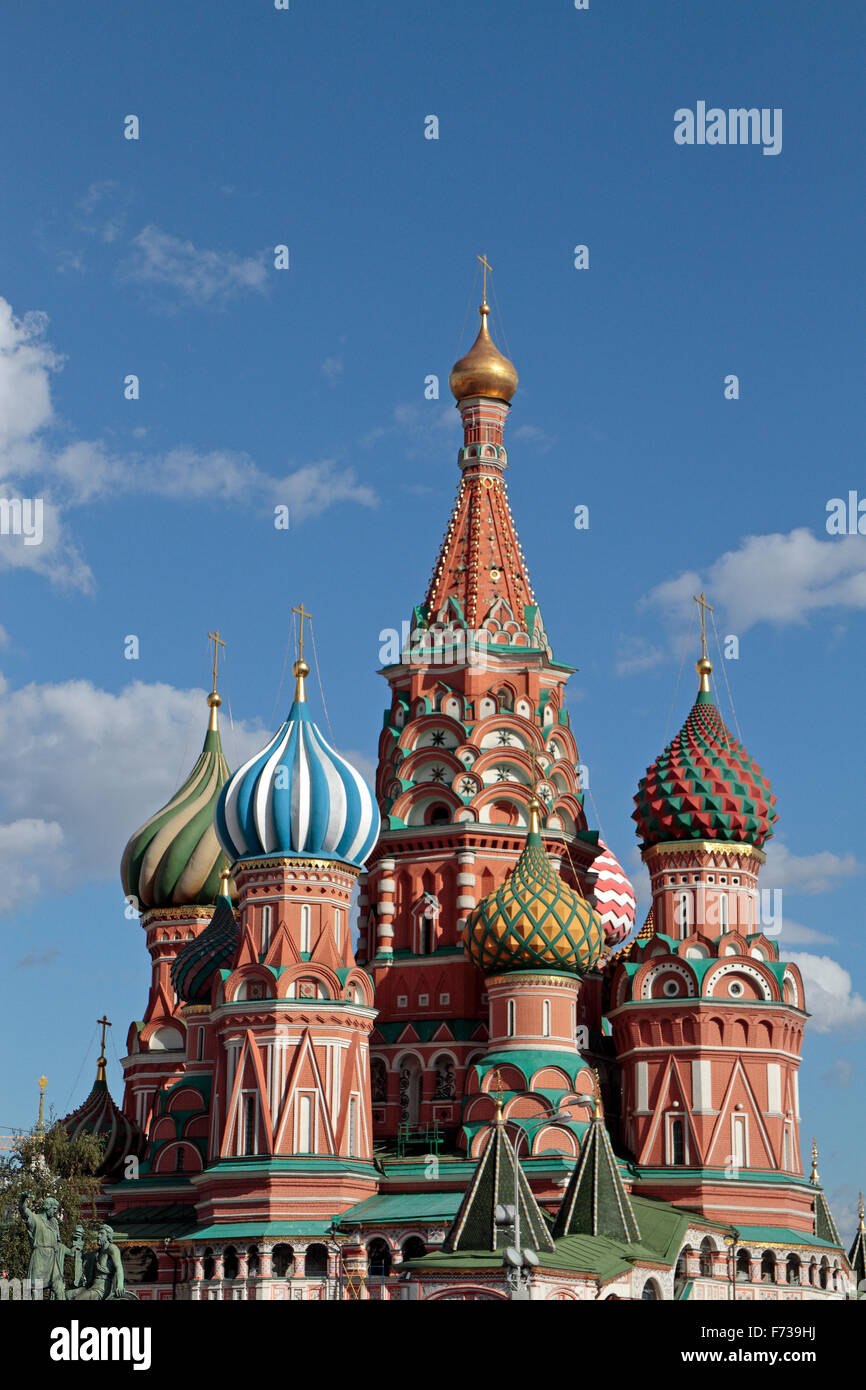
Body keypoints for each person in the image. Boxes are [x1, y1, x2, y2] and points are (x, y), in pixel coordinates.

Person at [19, 1193, 68, 1300]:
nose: (55, 1211)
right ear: (47, 1207)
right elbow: (23, 1210)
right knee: (37, 1289)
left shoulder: (54, 1222)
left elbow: (58, 1243)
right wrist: (23, 1198)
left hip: (52, 1258)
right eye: (54, 1208)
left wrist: (70, 1251)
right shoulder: (35, 1219)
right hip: (40, 1257)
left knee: (59, 1286)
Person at [69, 1224, 125, 1301]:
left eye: (101, 1233)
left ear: (108, 1236)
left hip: (101, 1289)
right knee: (67, 1295)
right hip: (92, 1286)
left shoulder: (112, 1248)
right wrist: (77, 1241)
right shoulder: (96, 1253)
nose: (98, 1236)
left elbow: (119, 1267)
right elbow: (82, 1257)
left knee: (78, 1299)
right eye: (98, 1233)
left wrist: (120, 1285)